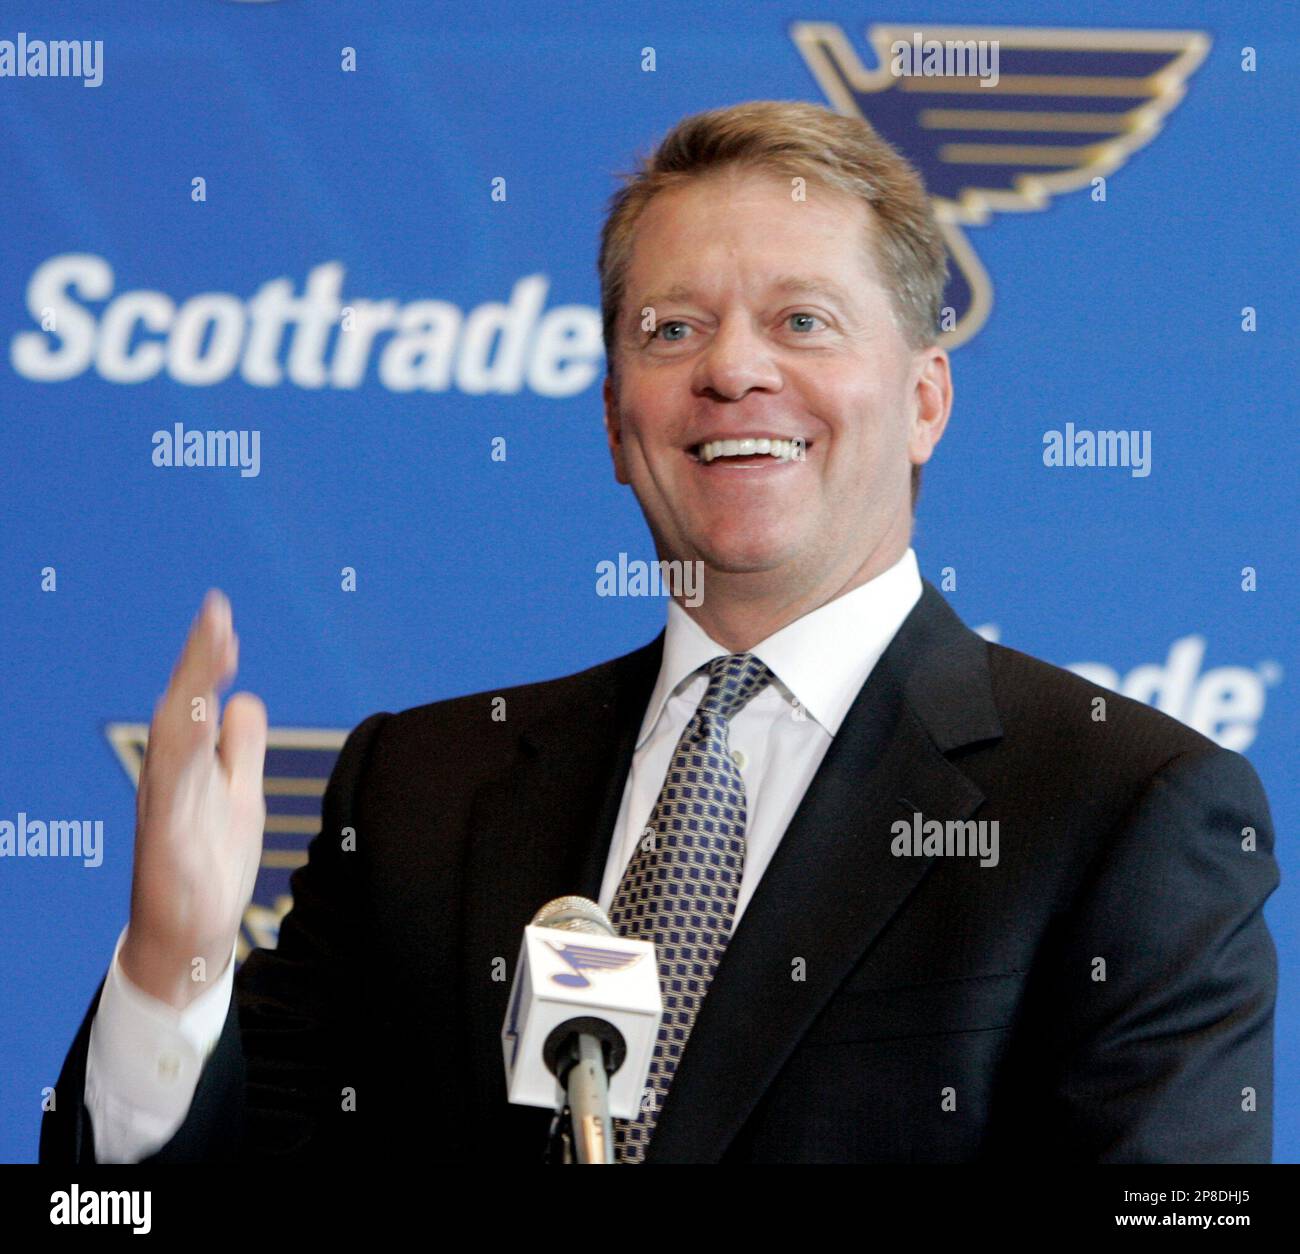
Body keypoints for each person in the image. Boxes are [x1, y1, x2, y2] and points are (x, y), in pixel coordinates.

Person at [40, 100, 1278, 1164]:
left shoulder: (1125, 809)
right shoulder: (418, 789)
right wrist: (173, 971)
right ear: (615, 421)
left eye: (802, 320)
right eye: (670, 330)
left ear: (922, 400)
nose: (731, 370)